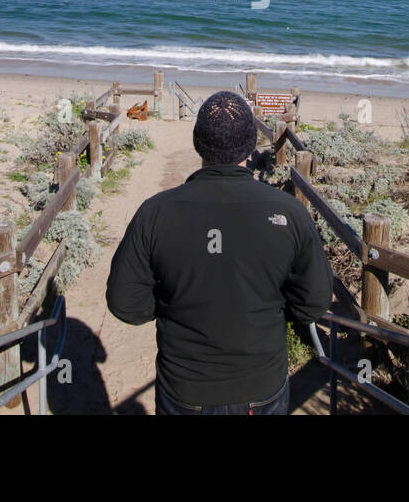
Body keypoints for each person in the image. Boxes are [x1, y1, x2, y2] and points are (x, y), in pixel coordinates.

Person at [106, 90, 332, 415]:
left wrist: (172, 303)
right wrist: (265, 312)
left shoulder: (155, 213)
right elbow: (314, 303)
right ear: (252, 144)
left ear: (198, 142)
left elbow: (126, 304)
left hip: (184, 388)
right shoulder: (289, 212)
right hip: (262, 385)